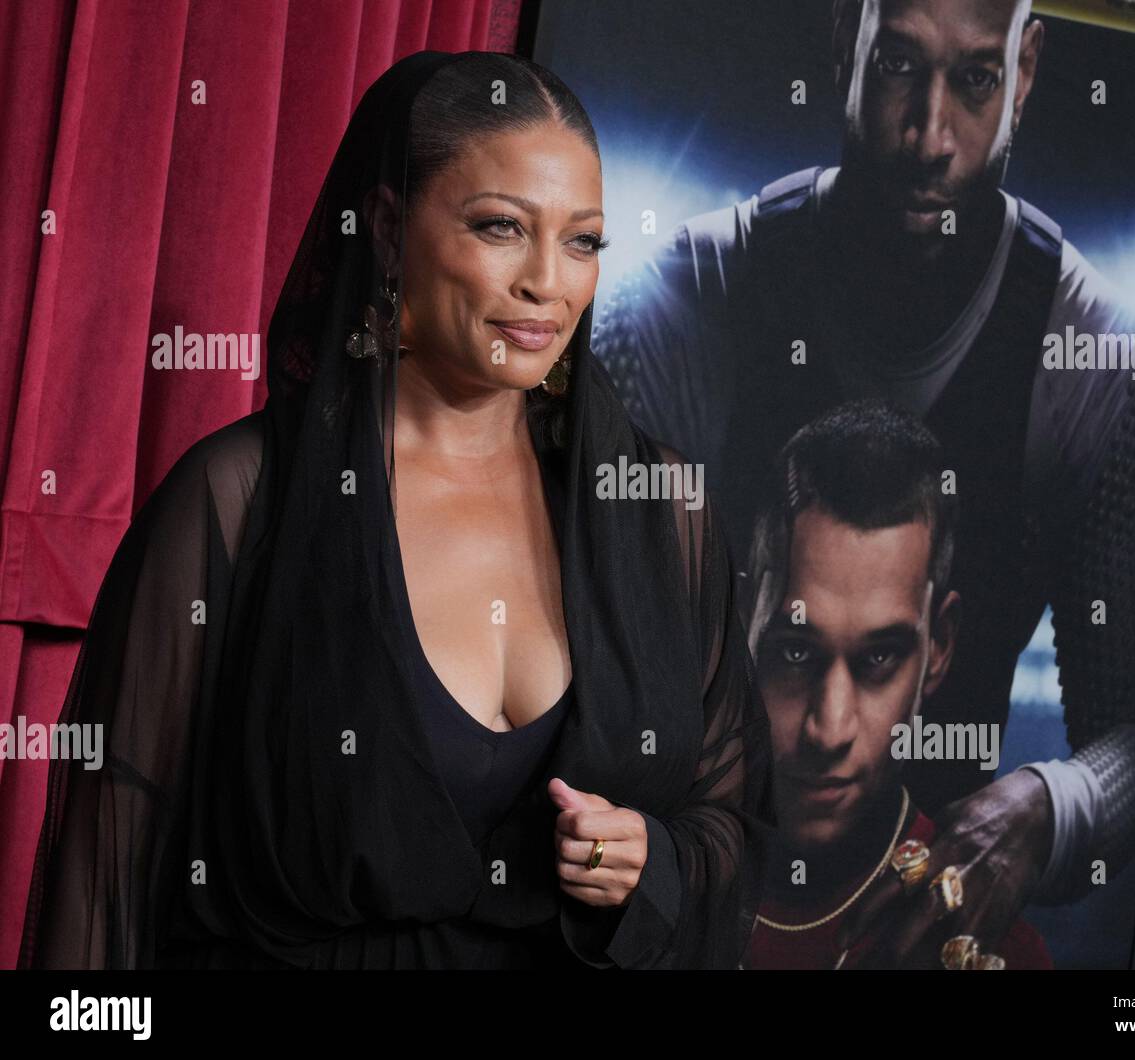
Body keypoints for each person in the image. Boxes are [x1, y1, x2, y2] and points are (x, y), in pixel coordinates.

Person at [18, 50, 775, 971]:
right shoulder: (237, 501)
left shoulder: (661, 515)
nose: (549, 282)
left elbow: (730, 825)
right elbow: (106, 885)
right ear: (384, 226)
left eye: (583, 241)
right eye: (501, 227)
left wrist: (650, 861)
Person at [592, 0, 1135, 957]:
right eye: (899, 66)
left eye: (976, 79)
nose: (930, 136)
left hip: (921, 933)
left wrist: (1045, 808)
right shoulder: (686, 300)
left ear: (1025, 72)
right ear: (842, 46)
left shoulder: (1088, 357)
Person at [739, 400, 1049, 970]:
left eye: (879, 657)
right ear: (745, 622)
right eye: (796, 652)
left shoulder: (989, 950)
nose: (828, 729)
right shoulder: (650, 877)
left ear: (939, 648)